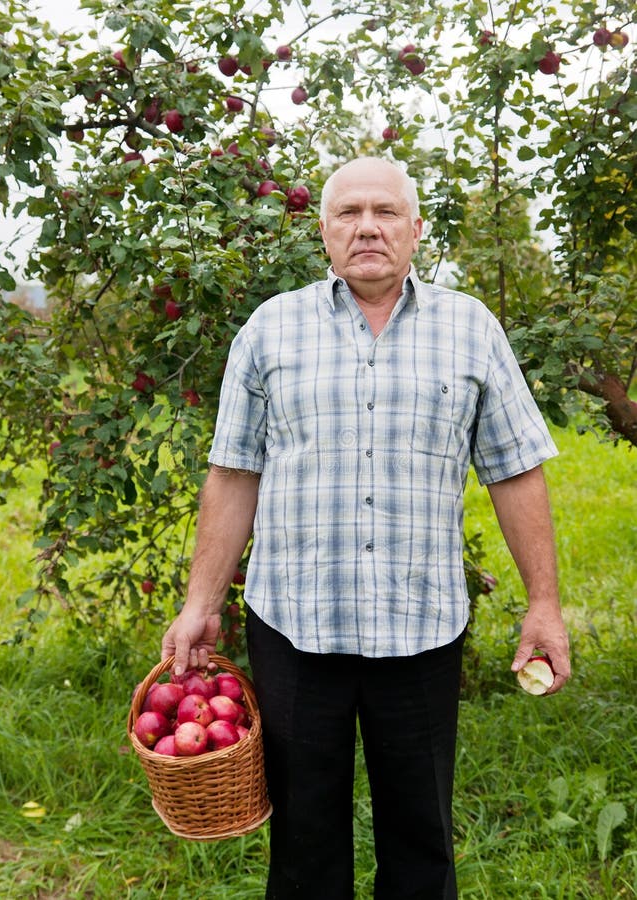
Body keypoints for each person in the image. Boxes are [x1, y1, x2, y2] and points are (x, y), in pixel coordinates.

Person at [161, 157, 571, 899]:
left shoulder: (470, 329)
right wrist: (200, 604)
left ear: (416, 229)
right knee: (304, 848)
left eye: (385, 212)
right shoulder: (270, 330)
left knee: (422, 843)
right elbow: (233, 473)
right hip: (294, 628)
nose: (368, 227)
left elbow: (515, 470)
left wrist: (543, 603)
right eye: (349, 213)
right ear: (323, 230)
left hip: (420, 628)